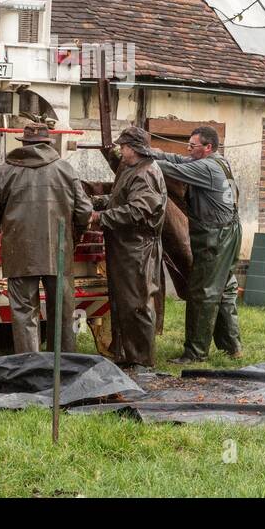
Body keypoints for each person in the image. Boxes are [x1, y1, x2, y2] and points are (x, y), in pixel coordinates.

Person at [0, 121, 93, 355]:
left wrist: (6, 220)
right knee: (62, 310)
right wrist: (75, 234)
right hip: (58, 249)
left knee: (23, 312)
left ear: (24, 142)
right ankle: (63, 366)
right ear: (47, 142)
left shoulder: (6, 170)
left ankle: (30, 366)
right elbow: (84, 211)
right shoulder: (65, 169)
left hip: (19, 251)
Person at [147, 125, 244, 364]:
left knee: (203, 292)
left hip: (215, 237)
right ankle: (232, 347)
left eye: (193, 146)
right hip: (229, 232)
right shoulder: (219, 162)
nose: (188, 149)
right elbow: (177, 159)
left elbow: (171, 168)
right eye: (188, 145)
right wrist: (153, 151)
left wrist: (141, 159)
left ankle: (195, 353)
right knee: (225, 290)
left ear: (208, 147)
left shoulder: (206, 167)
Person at [89, 126, 167, 369]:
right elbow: (122, 199)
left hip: (137, 249)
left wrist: (100, 218)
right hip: (126, 247)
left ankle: (141, 361)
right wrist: (100, 202)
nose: (120, 150)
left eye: (123, 146)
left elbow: (137, 211)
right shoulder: (133, 169)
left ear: (133, 148)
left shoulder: (145, 174)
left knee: (136, 306)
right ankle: (125, 356)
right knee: (124, 303)